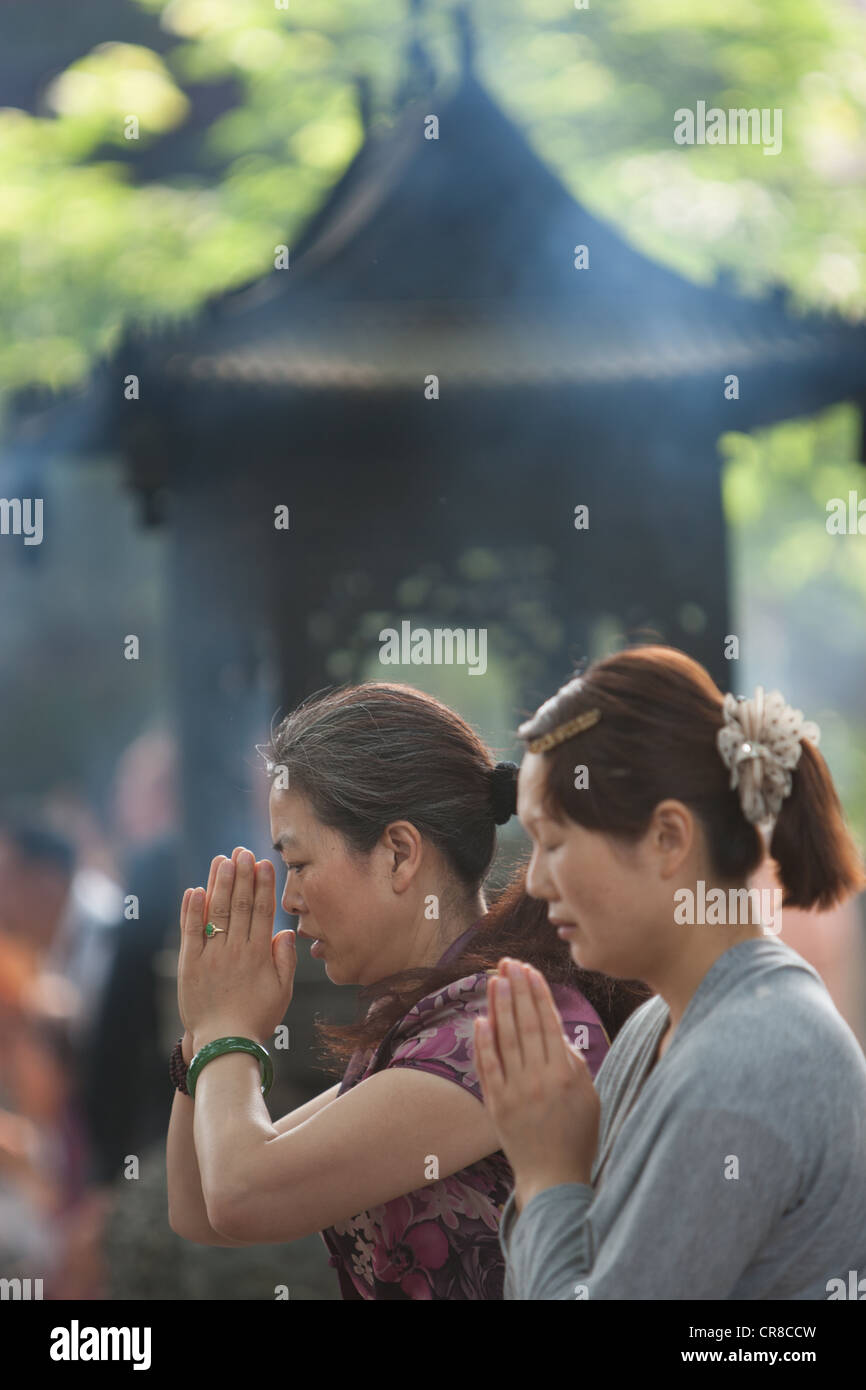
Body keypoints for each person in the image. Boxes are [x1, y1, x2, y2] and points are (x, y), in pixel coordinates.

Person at [166, 682, 649, 1299]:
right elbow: (200, 1211)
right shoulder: (432, 1022)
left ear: (398, 854)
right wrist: (202, 1030)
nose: (289, 900)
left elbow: (242, 1194)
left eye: (300, 864)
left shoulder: (489, 1028)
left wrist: (226, 1028)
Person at [474, 644, 866, 1299]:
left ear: (668, 839)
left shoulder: (748, 1064)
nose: (536, 882)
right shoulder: (664, 1020)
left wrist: (548, 1173)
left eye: (556, 842)